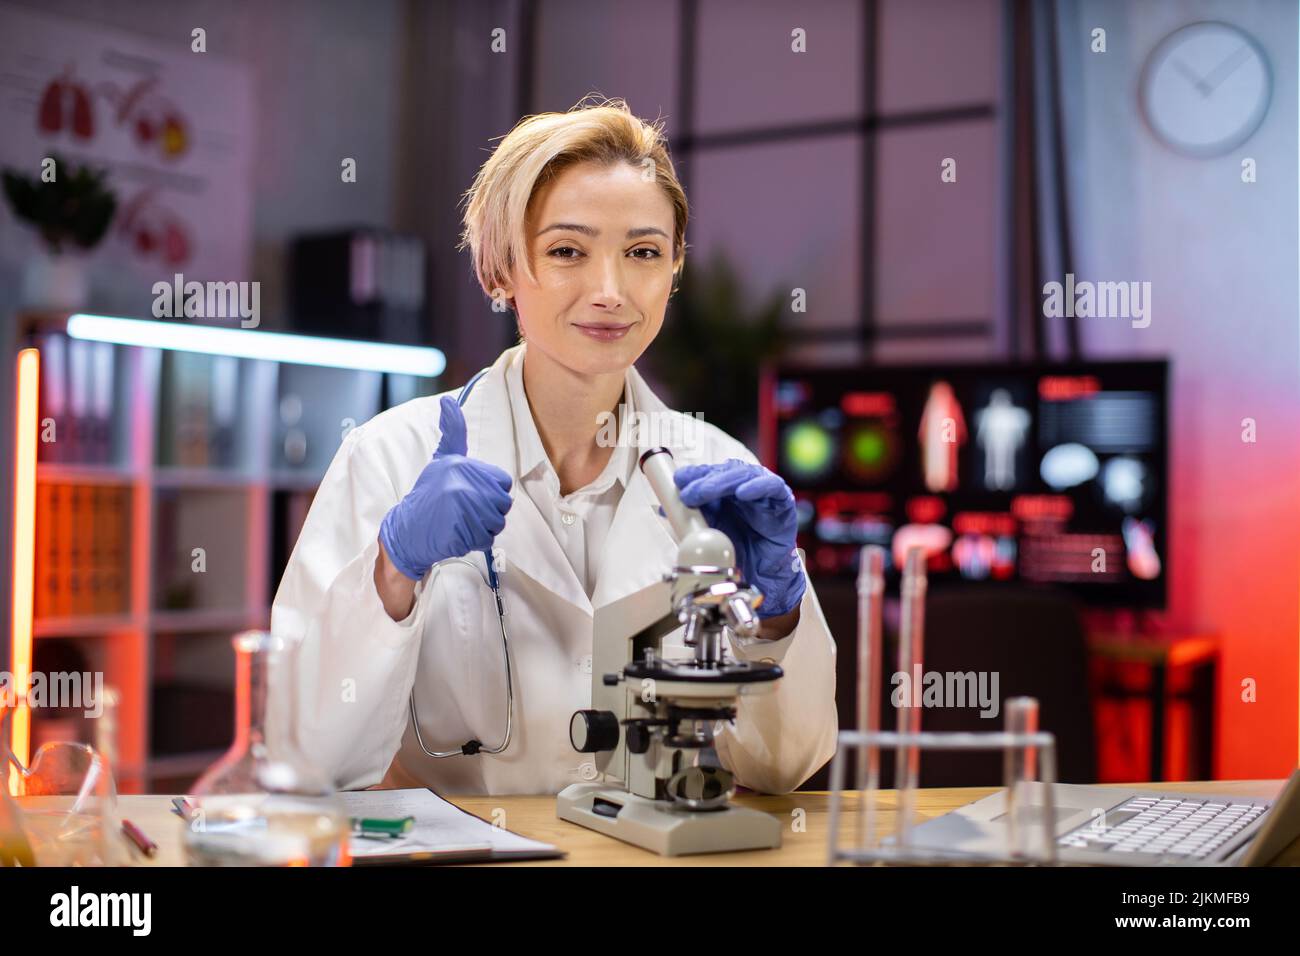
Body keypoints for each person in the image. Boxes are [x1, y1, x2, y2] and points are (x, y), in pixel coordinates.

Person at [271, 97, 838, 796]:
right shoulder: (390, 457)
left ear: (674, 270)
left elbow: (786, 767)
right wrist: (394, 570)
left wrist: (776, 609)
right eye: (567, 251)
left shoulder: (717, 471)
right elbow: (302, 756)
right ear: (501, 270)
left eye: (643, 253)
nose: (610, 291)